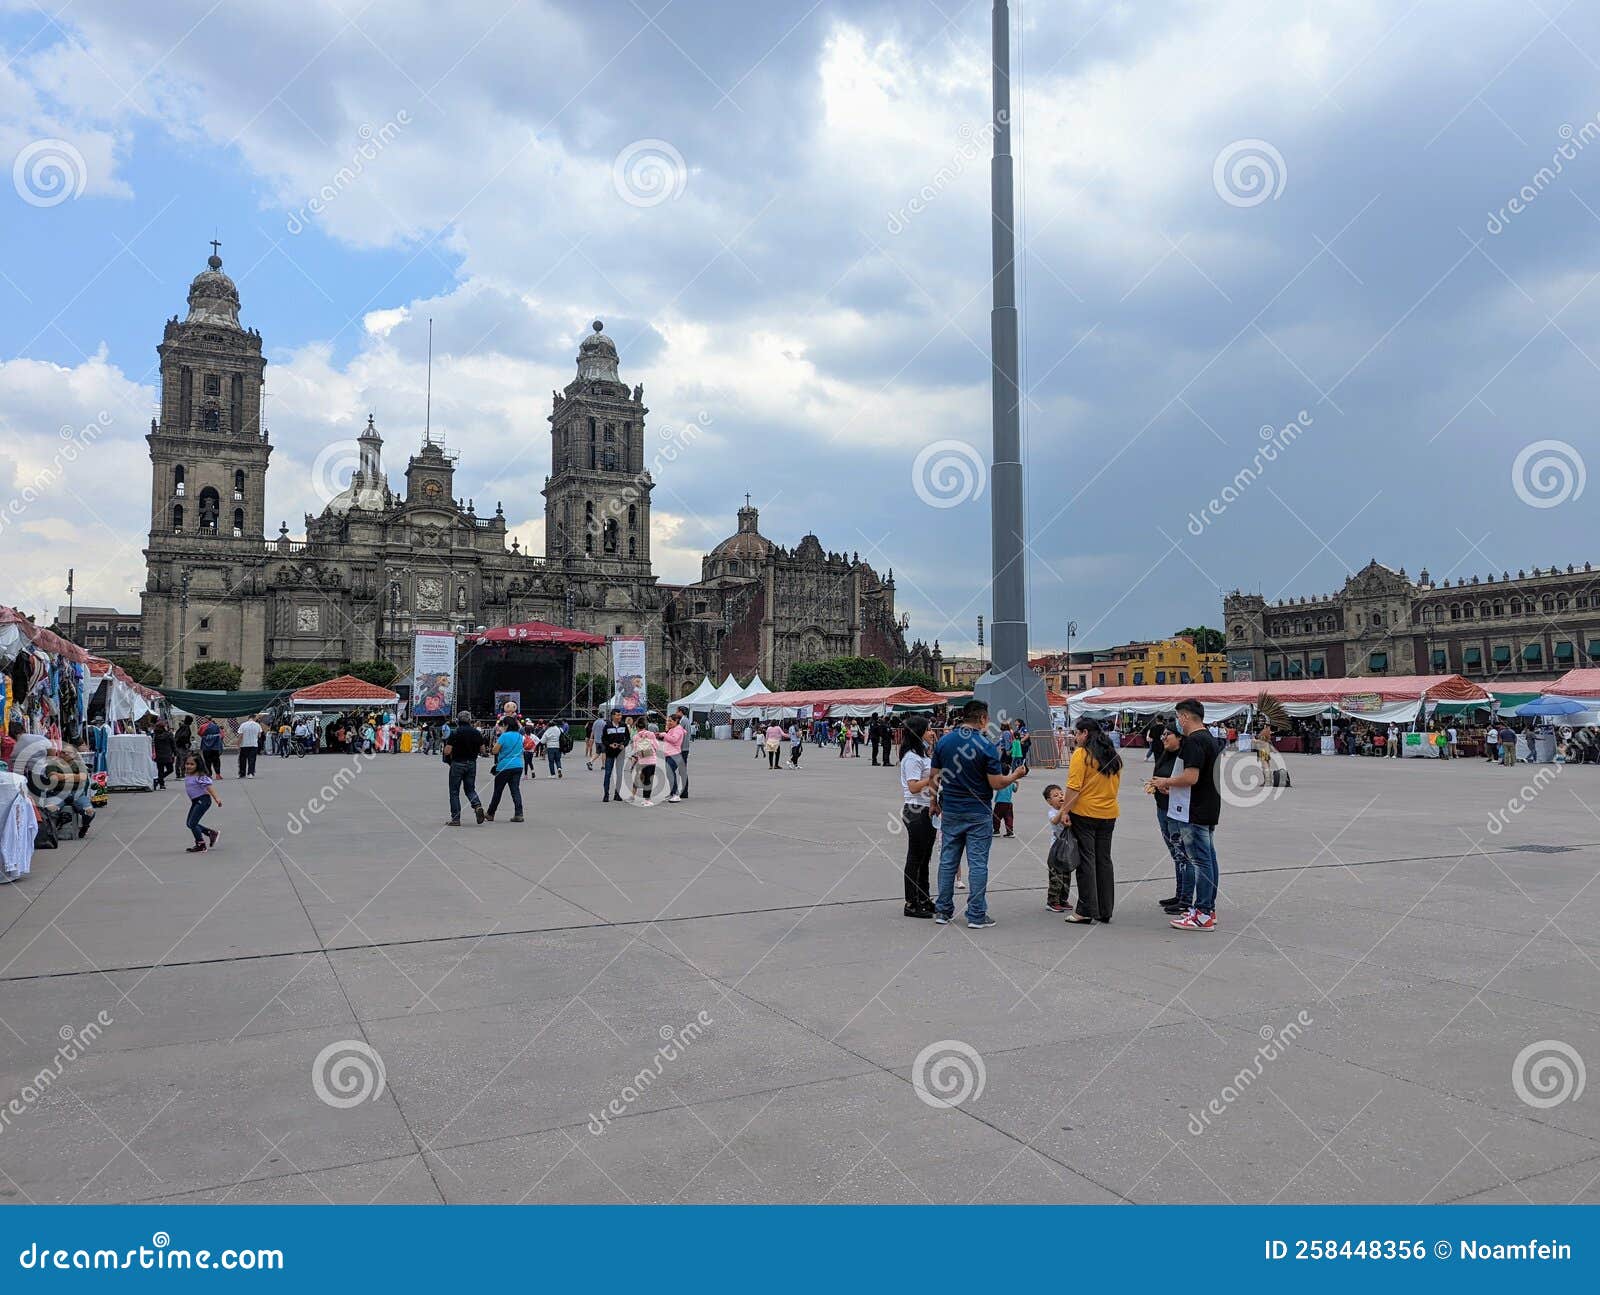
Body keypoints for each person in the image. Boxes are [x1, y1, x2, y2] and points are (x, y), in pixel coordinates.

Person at [930, 699, 1028, 929]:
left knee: (947, 861)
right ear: (983, 719)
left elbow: (934, 776)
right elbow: (995, 783)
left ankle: (943, 910)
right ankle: (976, 914)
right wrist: (1015, 775)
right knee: (978, 864)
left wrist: (933, 802)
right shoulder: (986, 746)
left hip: (951, 810)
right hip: (978, 812)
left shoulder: (944, 742)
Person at [1152, 698, 1222, 932]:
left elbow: (1191, 777)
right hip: (1209, 806)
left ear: (1185, 717)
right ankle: (1208, 909)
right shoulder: (1210, 739)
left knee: (1200, 861)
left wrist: (1166, 781)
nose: (1178, 723)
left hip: (1194, 809)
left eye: (1179, 717)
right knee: (1209, 859)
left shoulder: (1193, 741)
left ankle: (1202, 913)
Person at [1060, 717, 1122, 925]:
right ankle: (1105, 909)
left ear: (1085, 733)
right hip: (1108, 813)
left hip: (1085, 813)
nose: (1075, 737)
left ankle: (1085, 910)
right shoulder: (1112, 756)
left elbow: (1074, 787)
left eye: (1076, 733)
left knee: (1086, 861)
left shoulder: (1081, 754)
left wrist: (1064, 811)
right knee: (1104, 860)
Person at [1147, 725, 1191, 916]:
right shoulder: (1164, 754)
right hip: (1163, 809)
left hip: (1177, 812)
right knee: (1175, 854)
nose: (1163, 738)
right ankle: (1179, 893)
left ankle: (1186, 898)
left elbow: (1189, 782)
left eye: (1167, 734)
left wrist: (1168, 786)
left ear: (1180, 737)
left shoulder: (1184, 758)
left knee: (1183, 855)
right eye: (1163, 734)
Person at [898, 715, 937, 918]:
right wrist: (932, 778)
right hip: (915, 810)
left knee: (925, 858)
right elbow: (913, 787)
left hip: (926, 809)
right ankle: (911, 902)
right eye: (929, 729)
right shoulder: (912, 757)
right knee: (915, 857)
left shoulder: (923, 754)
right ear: (918, 733)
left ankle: (924, 898)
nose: (932, 732)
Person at [443, 710, 486, 826]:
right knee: (470, 789)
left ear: (458, 720)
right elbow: (483, 750)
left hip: (457, 763)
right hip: (471, 763)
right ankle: (477, 805)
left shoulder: (455, 732)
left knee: (454, 791)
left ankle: (456, 819)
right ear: (470, 720)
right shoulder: (476, 733)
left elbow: (447, 751)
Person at [485, 716, 526, 822]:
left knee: (498, 791)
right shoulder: (520, 736)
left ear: (506, 725)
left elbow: (495, 751)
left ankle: (490, 813)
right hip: (518, 765)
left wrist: (494, 746)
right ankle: (519, 814)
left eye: (502, 725)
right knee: (515, 790)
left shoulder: (504, 736)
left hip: (504, 766)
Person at [1042, 784, 1072, 913]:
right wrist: (1063, 809)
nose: (1060, 796)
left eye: (1061, 794)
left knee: (1066, 876)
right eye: (1055, 795)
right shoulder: (1052, 812)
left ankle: (1063, 900)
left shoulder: (1068, 810)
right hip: (1056, 851)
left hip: (1067, 849)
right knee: (1056, 877)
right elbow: (1055, 821)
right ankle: (1052, 901)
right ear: (1049, 801)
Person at [182, 753, 221, 853]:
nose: (189, 766)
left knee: (192, 823)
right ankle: (211, 833)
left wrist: (217, 798)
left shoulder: (200, 776)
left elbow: (209, 788)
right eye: (187, 764)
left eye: (192, 764)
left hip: (203, 800)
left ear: (198, 765)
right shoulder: (188, 774)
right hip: (196, 801)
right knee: (189, 823)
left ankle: (201, 844)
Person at [600, 709, 630, 802]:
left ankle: (617, 794)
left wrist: (623, 745)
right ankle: (606, 794)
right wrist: (610, 744)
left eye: (620, 715)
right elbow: (603, 739)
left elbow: (628, 738)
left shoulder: (623, 725)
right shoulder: (607, 726)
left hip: (620, 753)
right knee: (608, 773)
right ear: (613, 716)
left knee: (619, 774)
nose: (619, 717)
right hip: (610, 752)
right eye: (617, 715)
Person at [629, 719, 660, 806]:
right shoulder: (651, 734)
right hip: (651, 760)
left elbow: (635, 749)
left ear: (637, 728)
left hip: (641, 761)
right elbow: (656, 746)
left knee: (640, 779)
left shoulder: (635, 737)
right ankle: (647, 799)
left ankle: (634, 795)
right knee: (648, 780)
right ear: (645, 727)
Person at [657, 714, 686, 801]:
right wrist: (664, 734)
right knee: (670, 774)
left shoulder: (678, 730)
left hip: (674, 754)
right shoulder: (673, 729)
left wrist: (664, 735)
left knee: (670, 773)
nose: (668, 722)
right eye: (667, 721)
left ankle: (676, 794)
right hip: (669, 754)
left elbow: (674, 739)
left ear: (676, 721)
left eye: (670, 721)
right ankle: (672, 793)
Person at [151, 721, 177, 790]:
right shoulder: (169, 734)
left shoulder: (155, 735)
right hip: (167, 754)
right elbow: (173, 745)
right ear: (163, 727)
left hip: (158, 755)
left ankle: (161, 784)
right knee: (170, 769)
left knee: (160, 770)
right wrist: (175, 753)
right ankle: (159, 780)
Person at [673, 708, 692, 799]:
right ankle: (684, 791)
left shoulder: (683, 721)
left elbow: (678, 731)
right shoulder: (686, 720)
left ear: (681, 712)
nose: (676, 713)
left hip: (682, 748)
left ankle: (683, 791)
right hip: (684, 748)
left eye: (677, 711)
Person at [236, 713, 263, 778]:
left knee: (242, 759)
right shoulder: (257, 725)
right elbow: (259, 735)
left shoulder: (243, 725)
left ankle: (242, 774)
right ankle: (250, 773)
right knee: (252, 759)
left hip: (244, 745)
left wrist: (238, 744)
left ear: (248, 718)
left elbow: (240, 735)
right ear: (254, 718)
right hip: (254, 745)